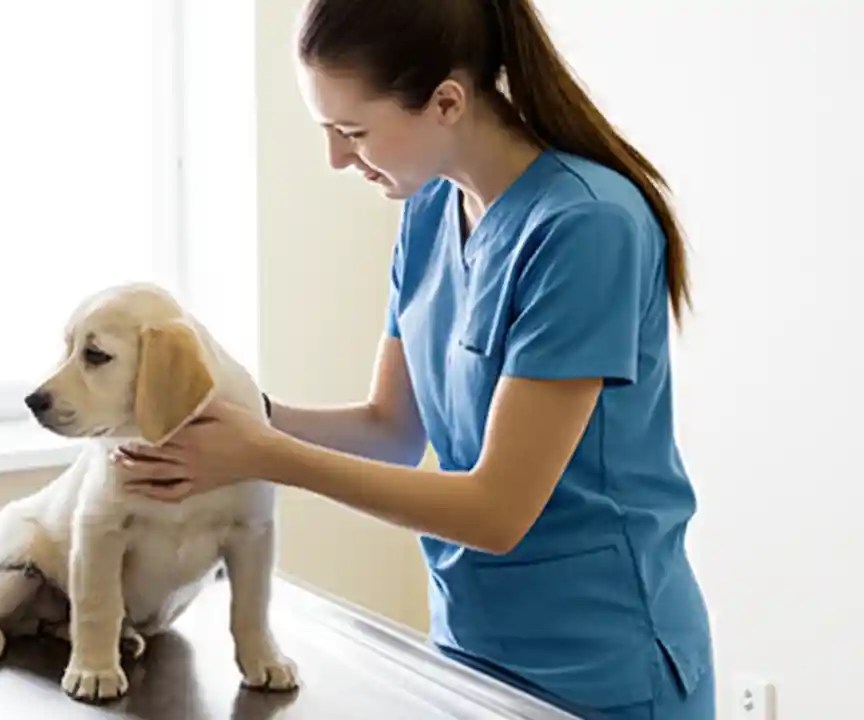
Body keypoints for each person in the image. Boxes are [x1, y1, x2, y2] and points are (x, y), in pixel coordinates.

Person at [115, 0, 714, 717]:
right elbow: (392, 430)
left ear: (447, 102)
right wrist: (243, 415)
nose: (337, 159)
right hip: (472, 646)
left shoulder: (587, 228)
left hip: (604, 668)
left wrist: (263, 453)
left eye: (353, 131)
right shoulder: (430, 210)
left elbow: (497, 511)